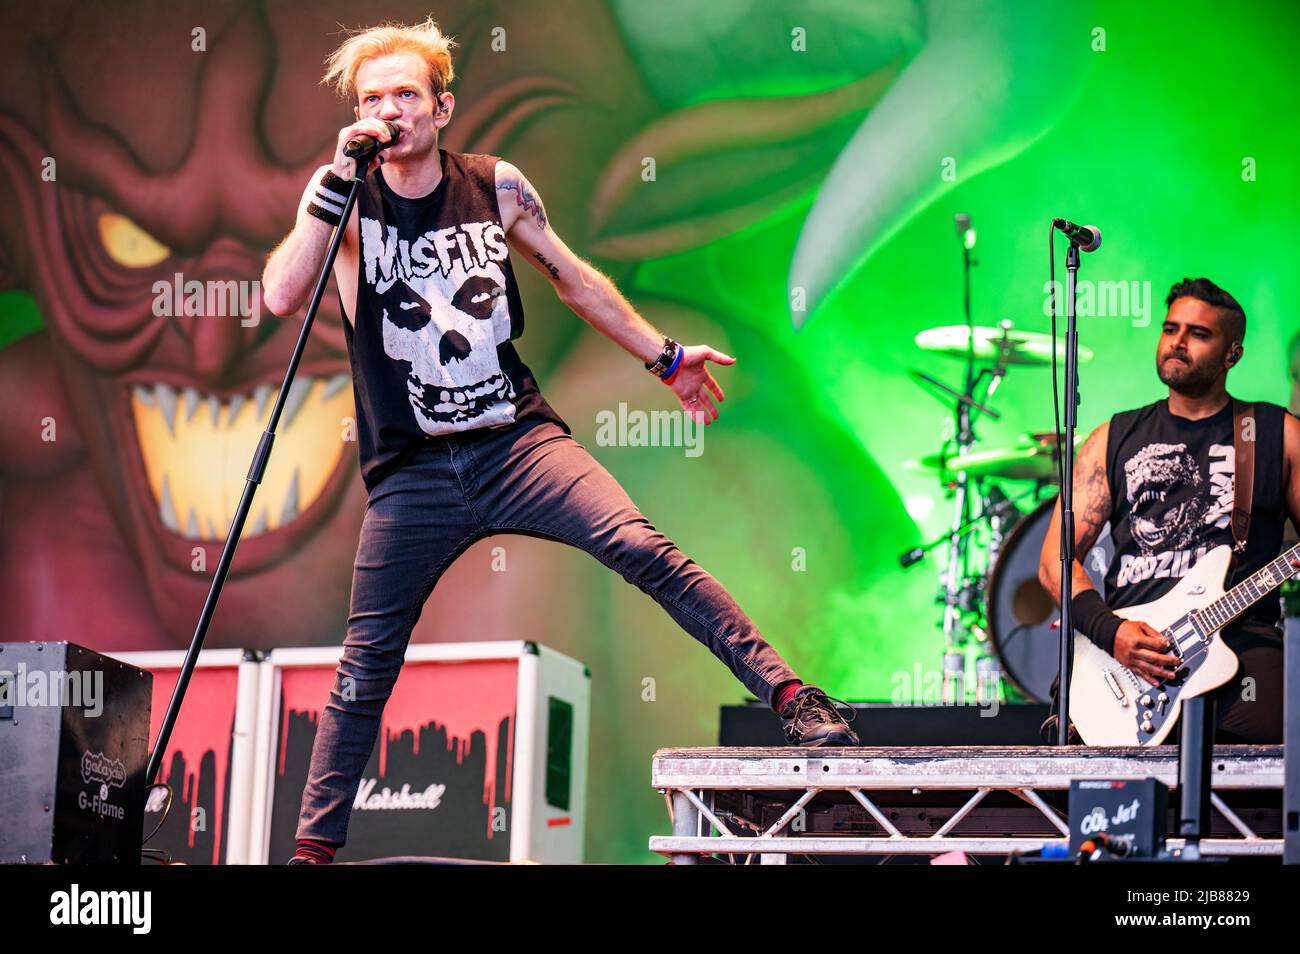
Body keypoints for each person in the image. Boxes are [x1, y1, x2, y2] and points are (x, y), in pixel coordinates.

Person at [260, 18, 858, 864]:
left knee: (642, 547)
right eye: (370, 98)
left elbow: (574, 279)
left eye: (403, 94)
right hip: (412, 472)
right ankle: (313, 852)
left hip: (516, 443)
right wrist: (328, 187)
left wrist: (668, 357)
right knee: (366, 664)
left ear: (441, 107)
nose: (386, 110)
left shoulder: (496, 187)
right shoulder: (344, 201)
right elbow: (284, 293)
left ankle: (794, 698)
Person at [1038, 277, 1300, 743]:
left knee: (1267, 725)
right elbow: (1054, 563)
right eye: (1170, 328)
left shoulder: (1275, 433)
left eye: (1199, 334)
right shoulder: (1111, 438)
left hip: (1238, 640)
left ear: (1232, 354)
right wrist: (1110, 631)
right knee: (1081, 769)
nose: (1178, 342)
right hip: (1121, 654)